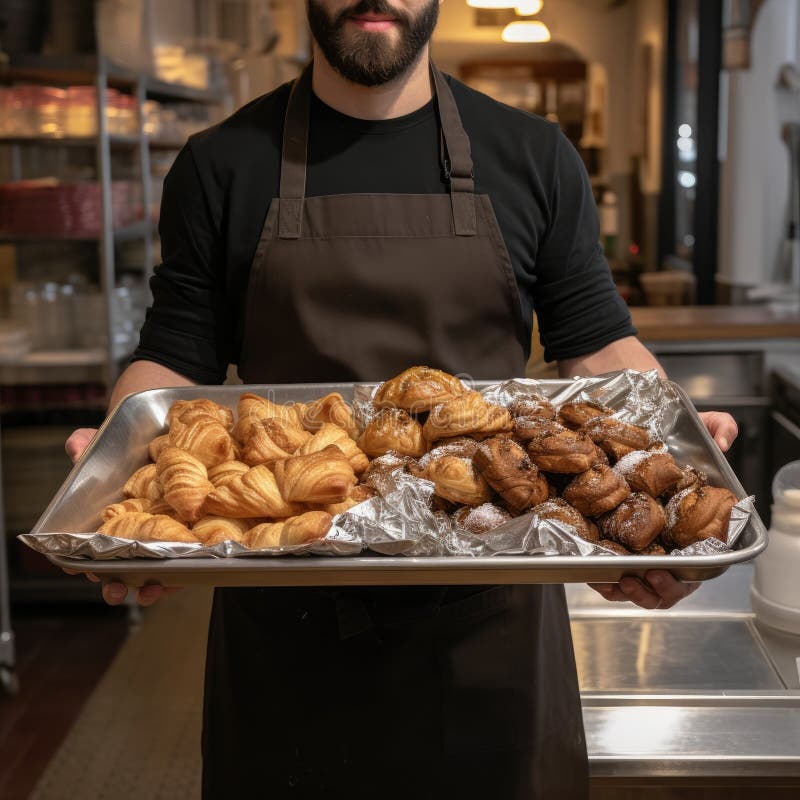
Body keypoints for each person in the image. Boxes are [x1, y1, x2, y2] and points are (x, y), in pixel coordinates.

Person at [65, 0, 738, 797]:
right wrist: (109, 462)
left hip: (494, 627)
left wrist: (673, 454)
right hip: (287, 632)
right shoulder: (220, 164)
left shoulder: (532, 155)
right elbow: (174, 356)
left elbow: (596, 340)